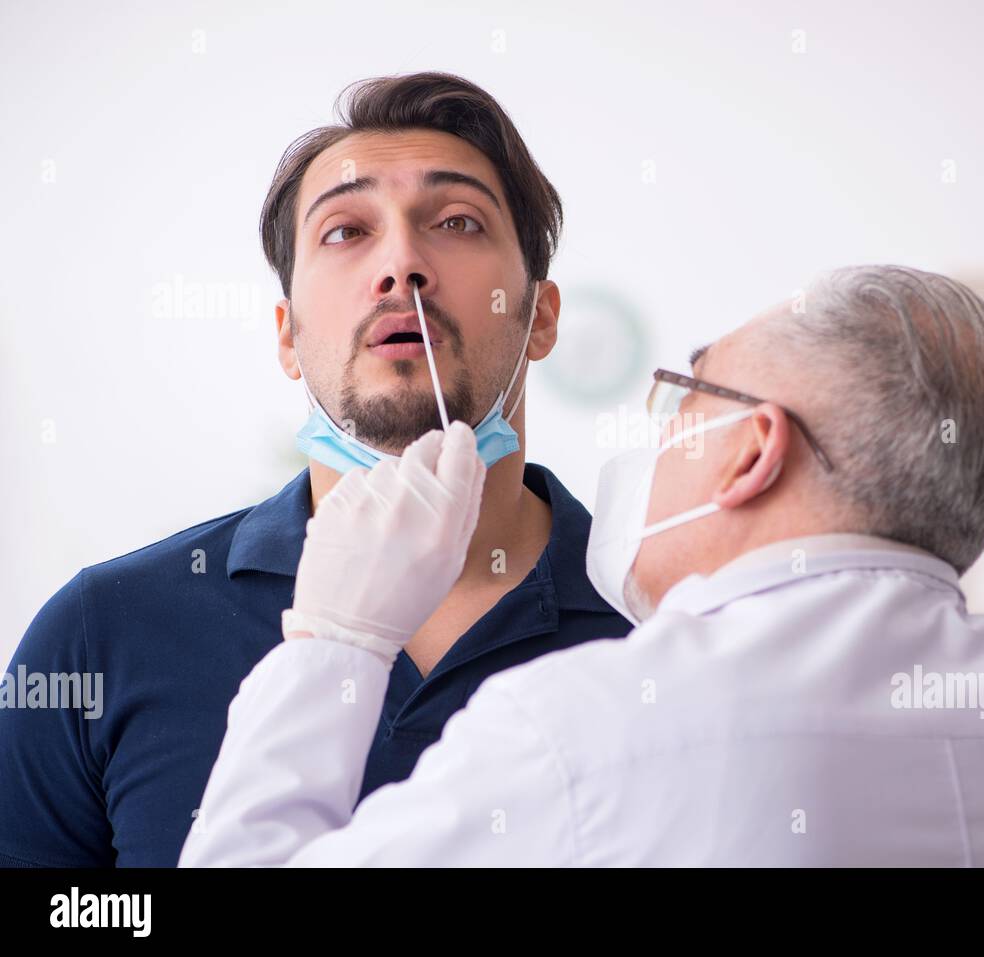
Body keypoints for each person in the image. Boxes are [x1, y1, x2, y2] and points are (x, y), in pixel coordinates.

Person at [180, 265, 984, 867]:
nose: (653, 441)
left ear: (752, 452)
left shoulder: (581, 726)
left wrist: (335, 641)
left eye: (684, 400)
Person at [0, 72, 631, 868]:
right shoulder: (102, 630)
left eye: (457, 221)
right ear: (287, 335)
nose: (402, 263)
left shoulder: (662, 628)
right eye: (345, 230)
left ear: (540, 318)